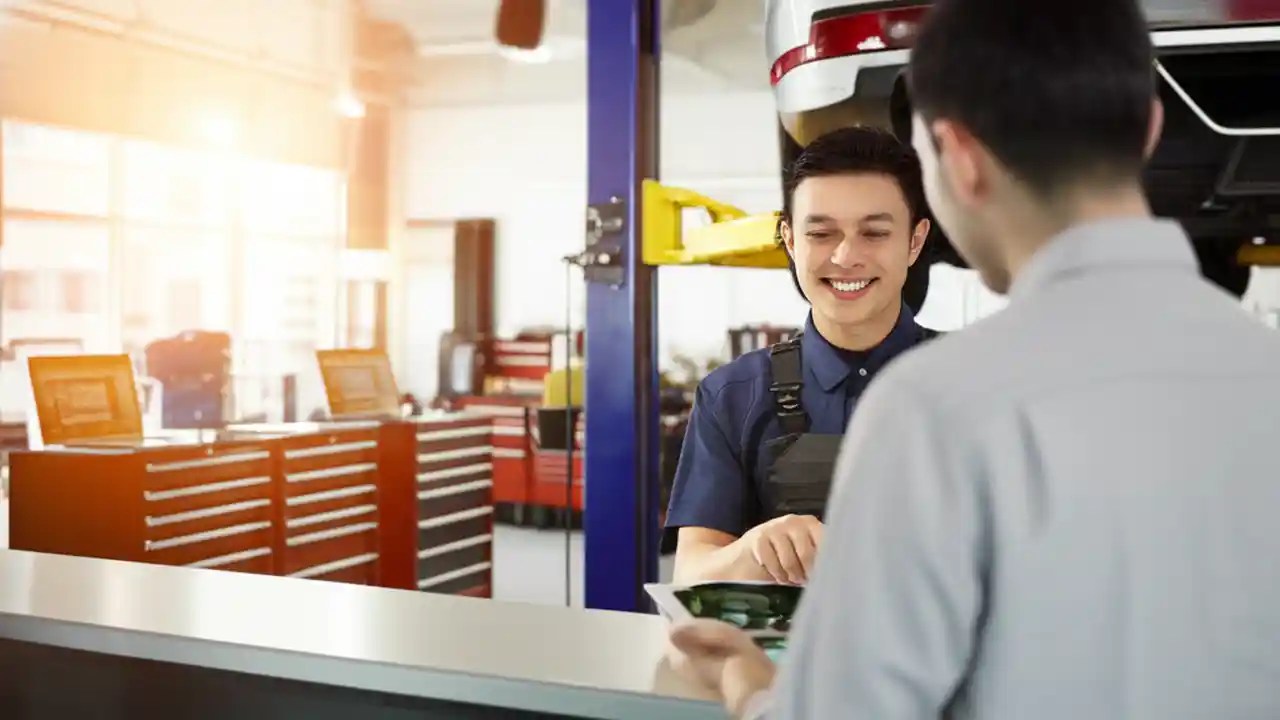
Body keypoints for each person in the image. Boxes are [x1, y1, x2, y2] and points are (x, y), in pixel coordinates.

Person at [667, 0, 1280, 718]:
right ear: (1148, 129)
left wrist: (747, 683)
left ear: (955, 158)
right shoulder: (1263, 377)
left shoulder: (938, 406)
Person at [665, 126, 937, 586]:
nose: (847, 256)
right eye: (822, 233)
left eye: (874, 232)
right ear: (790, 240)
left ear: (914, 241)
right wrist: (753, 550)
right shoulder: (731, 397)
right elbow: (690, 577)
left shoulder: (979, 384)